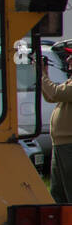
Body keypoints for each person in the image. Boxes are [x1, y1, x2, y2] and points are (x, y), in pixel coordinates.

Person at [40, 51, 72, 201]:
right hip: (61, 144)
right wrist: (44, 75)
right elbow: (50, 96)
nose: (68, 59)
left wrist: (41, 75)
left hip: (69, 145)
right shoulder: (69, 82)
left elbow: (54, 93)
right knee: (57, 193)